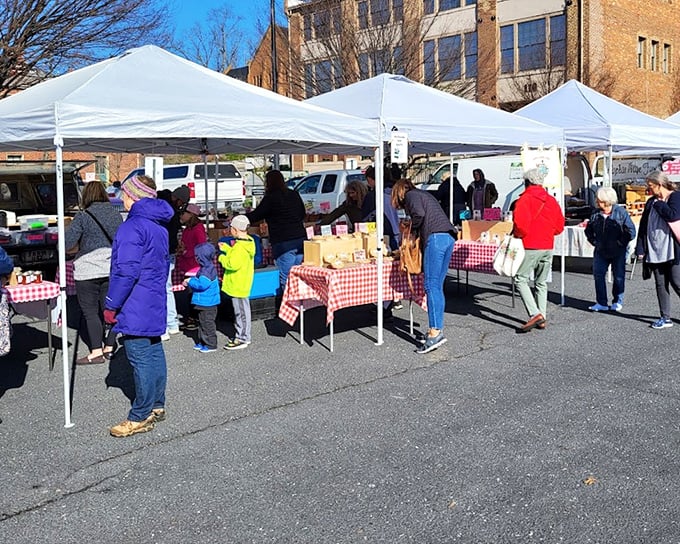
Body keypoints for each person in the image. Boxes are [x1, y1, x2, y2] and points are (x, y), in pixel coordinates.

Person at [104, 174, 174, 438]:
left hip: (135, 299)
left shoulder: (132, 226)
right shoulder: (158, 226)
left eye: (123, 193)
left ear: (133, 196)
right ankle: (156, 404)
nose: (121, 198)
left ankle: (141, 414)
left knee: (141, 356)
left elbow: (125, 271)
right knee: (154, 352)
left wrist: (111, 304)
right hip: (153, 296)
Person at [391, 179, 455, 354]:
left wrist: (411, 229)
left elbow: (418, 215)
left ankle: (435, 332)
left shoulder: (411, 196)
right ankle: (437, 329)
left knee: (431, 285)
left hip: (435, 238)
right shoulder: (423, 194)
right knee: (437, 286)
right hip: (448, 237)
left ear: (399, 192)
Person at [64, 181, 123, 364]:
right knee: (111, 309)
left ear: (86, 196)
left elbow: (66, 245)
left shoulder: (82, 216)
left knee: (90, 312)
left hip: (87, 270)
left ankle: (96, 351)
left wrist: (80, 245)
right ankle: (110, 346)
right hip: (111, 267)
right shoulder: (116, 215)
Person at [512, 168, 565, 332]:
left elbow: (520, 225)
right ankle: (541, 316)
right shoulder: (551, 200)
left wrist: (518, 235)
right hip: (547, 245)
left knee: (520, 278)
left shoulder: (524, 200)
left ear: (527, 182)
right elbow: (559, 226)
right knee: (541, 282)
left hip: (530, 245)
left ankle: (535, 314)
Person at [246, 170, 306, 291]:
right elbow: (302, 214)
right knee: (298, 275)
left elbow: (256, 215)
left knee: (286, 278)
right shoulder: (294, 194)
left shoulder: (270, 198)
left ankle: (289, 307)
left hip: (283, 241)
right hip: (300, 238)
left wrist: (241, 219)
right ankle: (301, 306)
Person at [635, 170, 680, 329]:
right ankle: (665, 317)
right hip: (655, 249)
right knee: (660, 284)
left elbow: (673, 215)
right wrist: (640, 247)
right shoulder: (650, 201)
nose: (649, 190)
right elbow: (644, 225)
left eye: (651, 186)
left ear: (660, 185)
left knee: (677, 282)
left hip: (673, 249)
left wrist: (660, 203)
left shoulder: (675, 197)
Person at [585, 187, 636, 312]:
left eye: (599, 200)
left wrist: (620, 242)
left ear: (607, 201)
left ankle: (617, 301)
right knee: (598, 275)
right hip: (600, 250)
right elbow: (588, 230)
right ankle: (601, 302)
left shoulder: (620, 212)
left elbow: (631, 231)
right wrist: (594, 241)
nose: (597, 202)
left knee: (618, 276)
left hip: (618, 250)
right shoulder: (595, 213)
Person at [218, 214, 255, 350]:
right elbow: (237, 257)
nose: (230, 230)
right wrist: (227, 249)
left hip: (238, 284)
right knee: (241, 311)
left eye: (231, 228)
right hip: (242, 282)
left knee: (241, 312)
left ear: (235, 229)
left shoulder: (240, 247)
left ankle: (243, 337)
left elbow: (232, 264)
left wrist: (222, 257)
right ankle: (243, 335)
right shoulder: (247, 242)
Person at [183, 242, 220, 353]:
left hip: (207, 303)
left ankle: (211, 344)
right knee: (202, 322)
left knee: (207, 323)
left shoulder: (206, 271)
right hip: (205, 301)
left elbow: (202, 285)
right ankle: (203, 341)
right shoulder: (207, 268)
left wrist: (190, 281)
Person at [177, 202, 207, 330]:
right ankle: (190, 317)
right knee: (188, 291)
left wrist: (185, 252)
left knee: (193, 291)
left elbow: (201, 247)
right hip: (186, 264)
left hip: (194, 265)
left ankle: (194, 318)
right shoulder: (187, 229)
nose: (181, 216)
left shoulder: (198, 228)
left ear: (191, 215)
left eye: (184, 213)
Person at [156, 189, 182, 338]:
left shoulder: (159, 216)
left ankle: (164, 327)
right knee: (168, 288)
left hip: (160, 253)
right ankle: (172, 323)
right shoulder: (174, 214)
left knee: (160, 289)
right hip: (171, 252)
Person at [361, 165, 400, 250]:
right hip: (397, 230)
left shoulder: (373, 195)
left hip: (382, 233)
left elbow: (366, 216)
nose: (368, 183)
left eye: (368, 180)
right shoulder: (395, 191)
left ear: (371, 179)